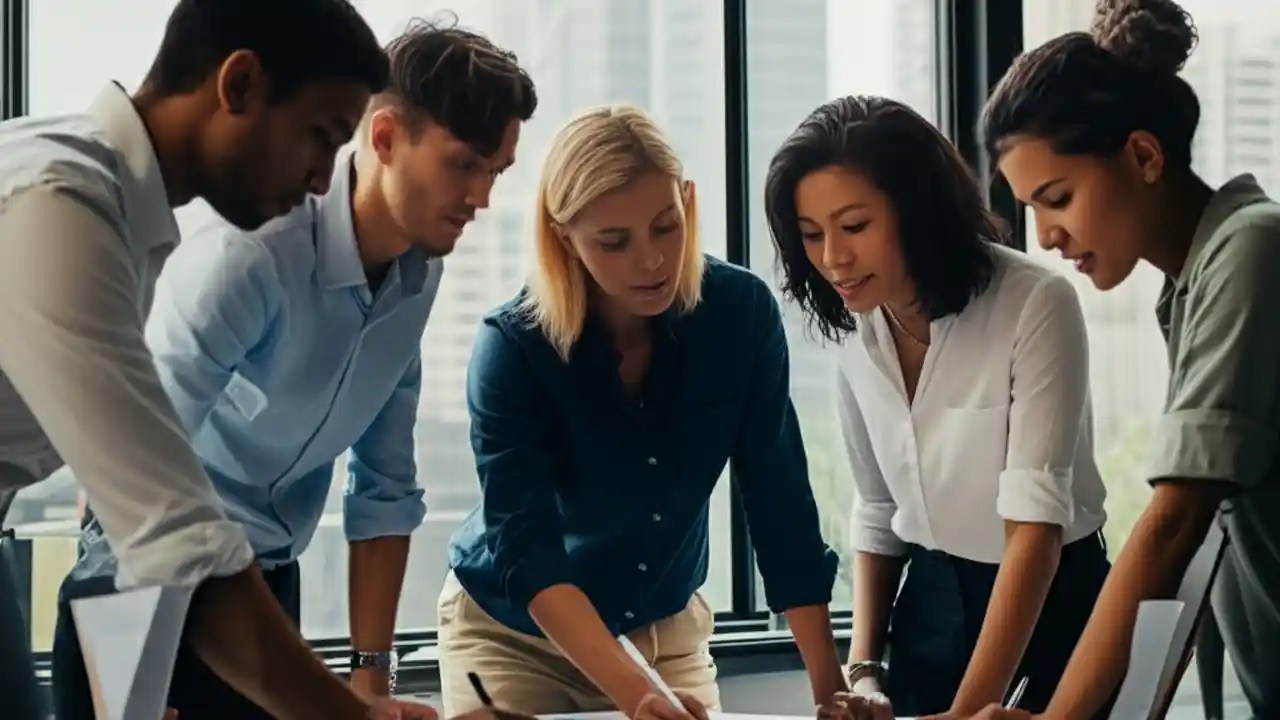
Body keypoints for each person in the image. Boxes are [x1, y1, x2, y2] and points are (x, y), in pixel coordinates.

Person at [48, 18, 537, 719]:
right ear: (386, 138)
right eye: (465, 163)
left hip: (264, 595)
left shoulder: (419, 280)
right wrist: (130, 684)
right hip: (144, 594)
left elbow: (385, 488)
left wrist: (373, 683)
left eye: (497, 172)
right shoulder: (251, 254)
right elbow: (126, 485)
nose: (483, 197)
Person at [438, 105, 847, 719]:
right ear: (563, 237)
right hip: (513, 636)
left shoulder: (740, 316)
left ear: (688, 201)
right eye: (614, 241)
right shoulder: (513, 346)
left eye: (666, 226)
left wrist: (830, 691)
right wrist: (638, 694)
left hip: (668, 633)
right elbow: (529, 555)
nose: (651, 260)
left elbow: (780, 502)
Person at [968, 0, 1280, 718]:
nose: (1043, 236)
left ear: (1143, 156)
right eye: (1029, 210)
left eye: (1057, 198)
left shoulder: (1251, 252)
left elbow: (1176, 521)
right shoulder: (1192, 284)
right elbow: (1207, 546)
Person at [763, 96, 1111, 719]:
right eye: (812, 235)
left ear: (917, 212)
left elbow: (1036, 528)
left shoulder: (1035, 302)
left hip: (1047, 599)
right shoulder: (855, 323)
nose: (833, 259)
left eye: (855, 226)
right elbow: (877, 508)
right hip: (929, 603)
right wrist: (863, 671)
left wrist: (971, 708)